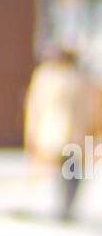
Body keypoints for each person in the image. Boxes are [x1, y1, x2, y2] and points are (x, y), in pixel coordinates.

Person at [23, 46, 98, 219]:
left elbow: (34, 106)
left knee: (64, 170)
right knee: (70, 171)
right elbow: (88, 108)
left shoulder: (47, 78)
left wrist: (32, 131)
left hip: (56, 132)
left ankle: (63, 205)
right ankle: (66, 205)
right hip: (70, 134)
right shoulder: (76, 78)